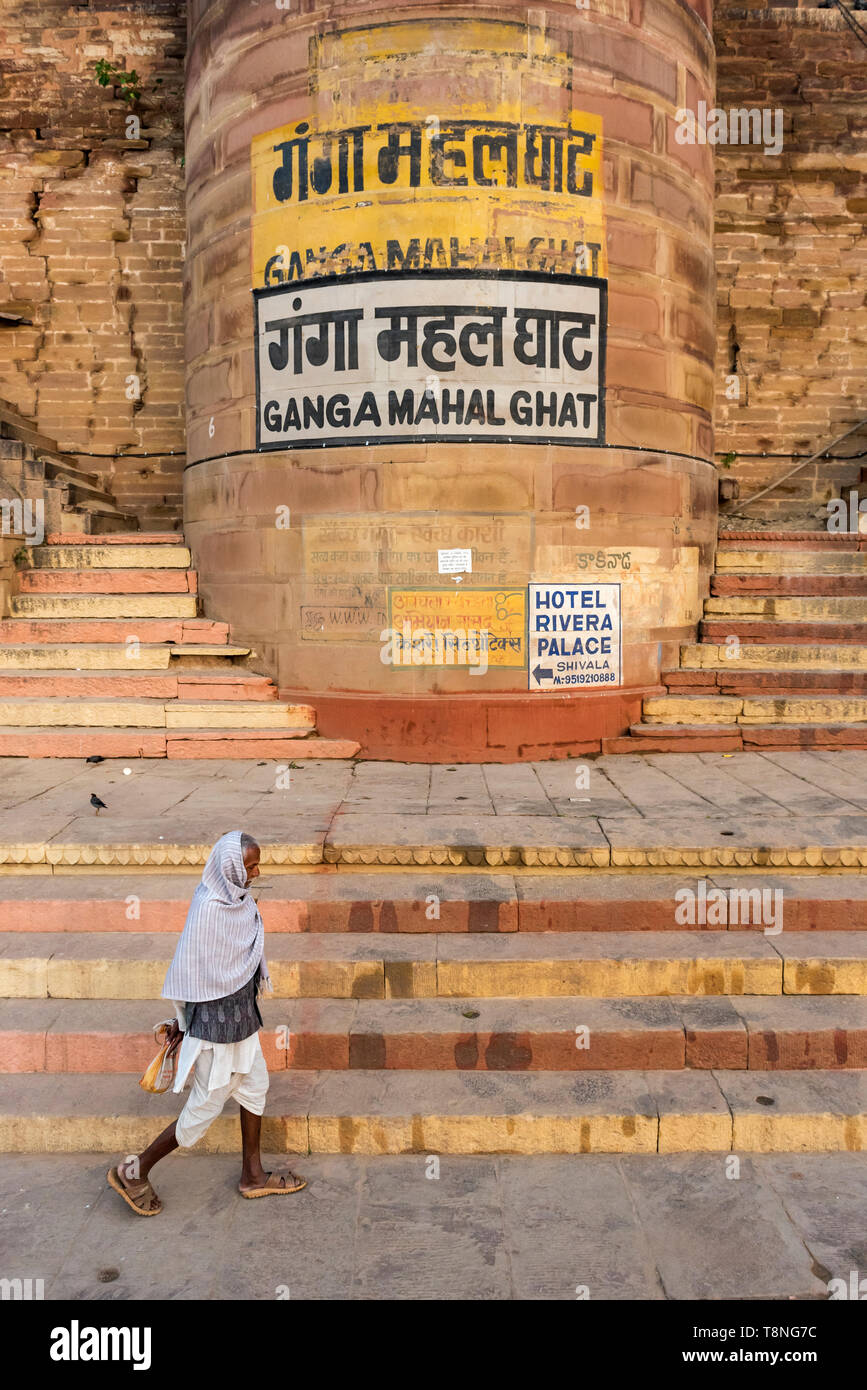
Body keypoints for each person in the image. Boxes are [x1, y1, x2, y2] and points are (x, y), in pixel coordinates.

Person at [107, 830, 306, 1216]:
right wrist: (183, 1022)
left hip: (243, 1022)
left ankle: (252, 1174)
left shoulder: (240, 902)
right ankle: (136, 1170)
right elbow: (189, 971)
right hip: (216, 1032)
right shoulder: (210, 908)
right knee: (204, 1108)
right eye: (250, 866)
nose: (257, 872)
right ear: (231, 867)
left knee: (255, 1087)